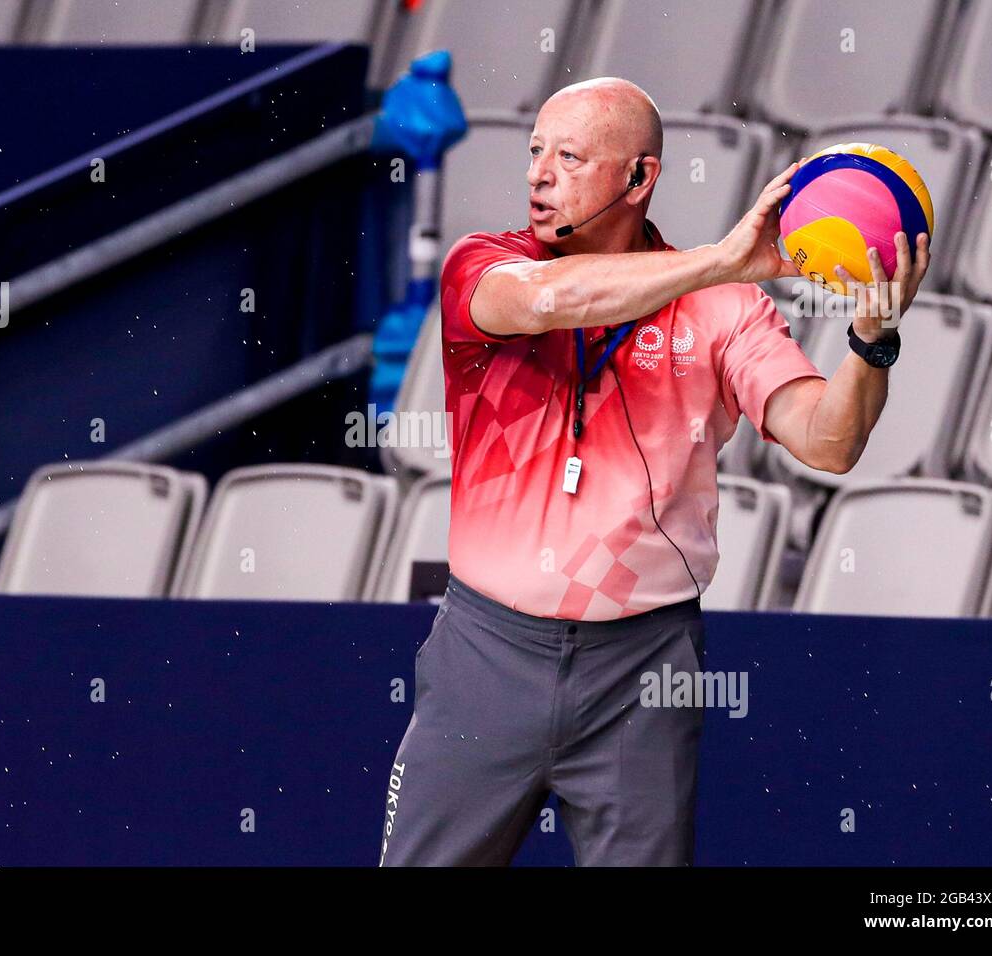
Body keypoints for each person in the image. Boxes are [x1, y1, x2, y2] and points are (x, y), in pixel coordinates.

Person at [377, 77, 930, 867]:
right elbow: (540, 304)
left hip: (645, 667)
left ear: (639, 179)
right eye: (535, 151)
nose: (538, 174)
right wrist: (719, 262)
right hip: (484, 650)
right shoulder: (486, 264)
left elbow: (827, 443)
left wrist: (870, 343)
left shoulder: (729, 308)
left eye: (568, 157)